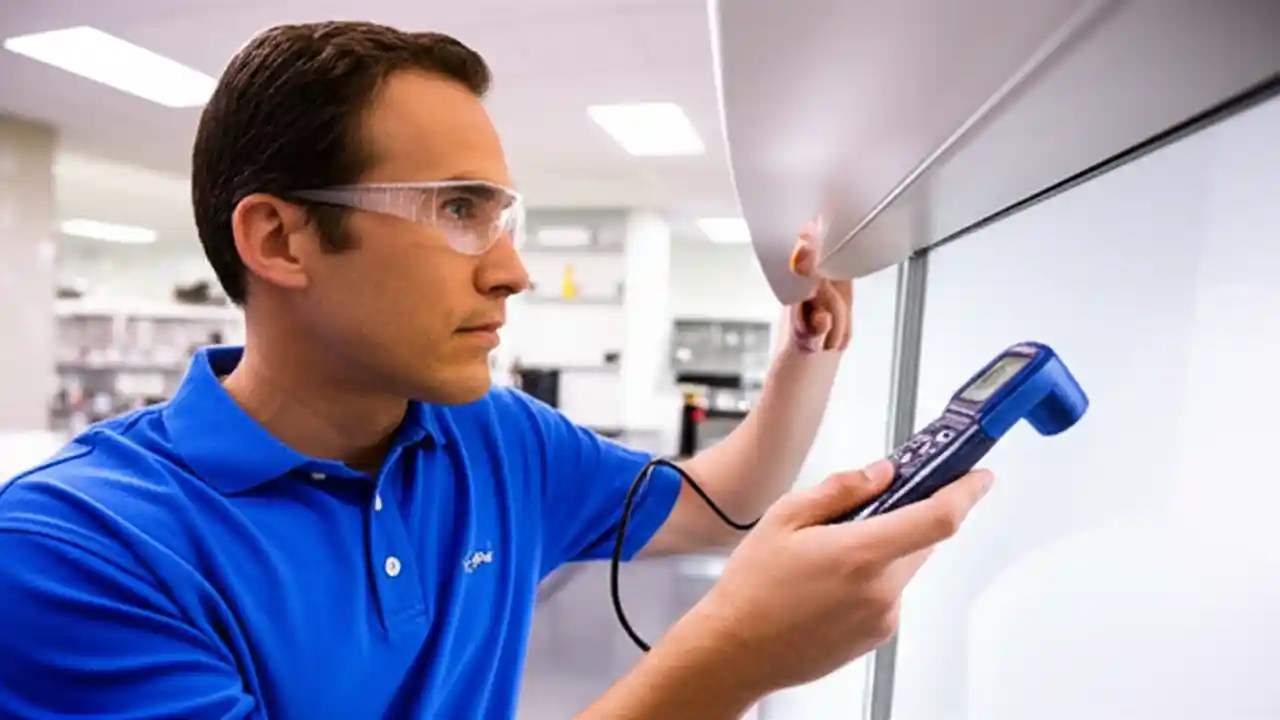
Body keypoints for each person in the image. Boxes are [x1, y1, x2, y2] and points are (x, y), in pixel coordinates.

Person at [0, 21, 993, 719]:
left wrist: (804, 353)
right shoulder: (71, 552)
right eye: (456, 209)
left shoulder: (492, 437)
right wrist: (730, 659)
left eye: (501, 217)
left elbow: (719, 506)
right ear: (279, 240)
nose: (513, 271)